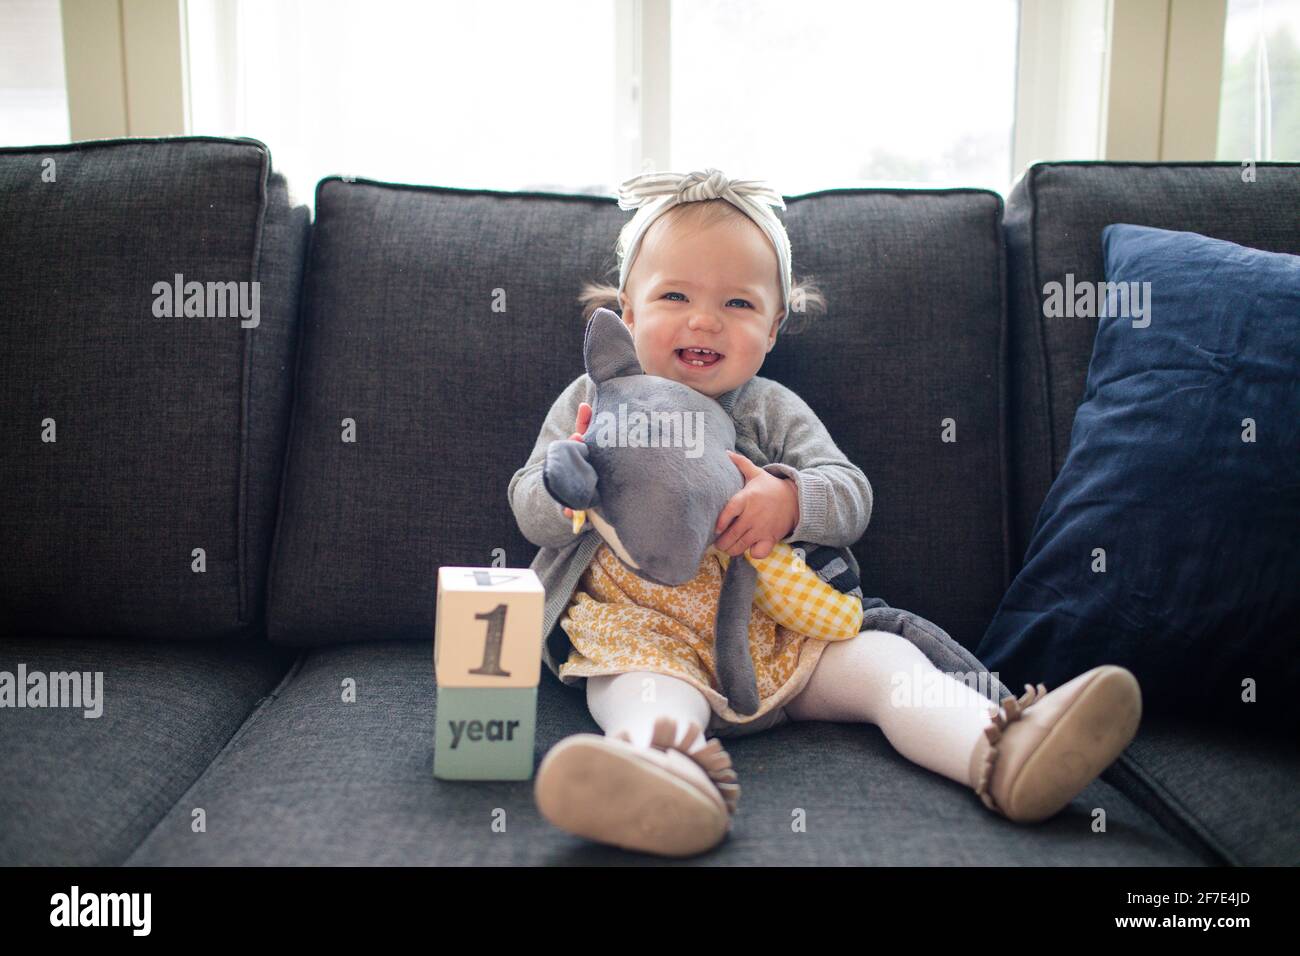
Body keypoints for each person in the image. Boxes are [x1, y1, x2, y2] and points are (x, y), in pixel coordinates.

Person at [507, 168, 1142, 857]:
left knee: (887, 666)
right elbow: (528, 508)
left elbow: (851, 494)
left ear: (774, 328)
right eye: (676, 295)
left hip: (783, 634)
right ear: (627, 314)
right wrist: (566, 483)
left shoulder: (769, 409)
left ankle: (999, 750)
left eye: (739, 304)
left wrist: (789, 499)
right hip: (642, 629)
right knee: (639, 690)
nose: (704, 319)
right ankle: (665, 774)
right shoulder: (594, 398)